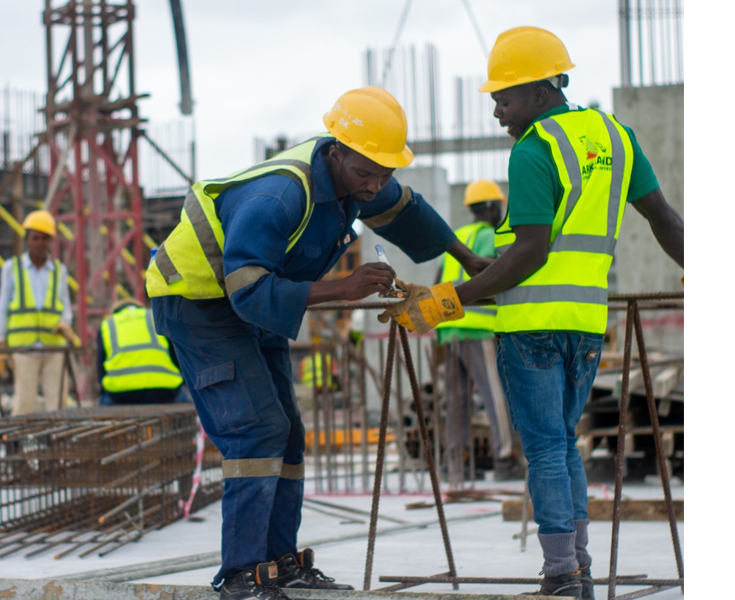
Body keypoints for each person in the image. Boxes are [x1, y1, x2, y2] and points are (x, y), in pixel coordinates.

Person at [145, 86, 485, 600]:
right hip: (198, 301)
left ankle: (280, 564)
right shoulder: (279, 196)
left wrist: (469, 258)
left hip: (256, 295)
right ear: (336, 151)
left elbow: (408, 213)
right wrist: (344, 291)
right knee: (257, 429)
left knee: (289, 433)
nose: (374, 188)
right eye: (366, 174)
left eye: (385, 175)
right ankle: (241, 576)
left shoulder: (358, 175)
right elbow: (248, 289)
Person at [380, 27, 683, 599]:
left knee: (545, 448)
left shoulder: (534, 148)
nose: (497, 112)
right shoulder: (614, 136)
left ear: (541, 91)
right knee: (564, 443)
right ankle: (579, 566)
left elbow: (531, 254)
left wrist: (446, 301)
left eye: (504, 97)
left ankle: (562, 574)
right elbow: (665, 220)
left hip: (531, 327)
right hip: (588, 325)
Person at [434, 180, 523, 483]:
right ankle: (504, 458)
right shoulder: (489, 236)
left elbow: (438, 279)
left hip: (449, 330)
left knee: (456, 399)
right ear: (491, 206)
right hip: (478, 327)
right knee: (494, 395)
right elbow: (500, 274)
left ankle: (455, 461)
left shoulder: (456, 238)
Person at [0, 210, 75, 416]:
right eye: (35, 238)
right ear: (27, 240)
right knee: (24, 403)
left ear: (51, 241)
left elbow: (65, 305)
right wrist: (0, 342)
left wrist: (65, 323)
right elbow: (3, 306)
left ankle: (58, 444)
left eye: (45, 238)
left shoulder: (59, 270)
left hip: (53, 346)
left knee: (57, 403)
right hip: (23, 347)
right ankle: (19, 447)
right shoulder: (12, 268)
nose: (40, 242)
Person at [96, 298, 185, 405]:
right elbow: (176, 356)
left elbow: (100, 367)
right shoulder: (154, 316)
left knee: (104, 399)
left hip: (121, 394)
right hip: (163, 391)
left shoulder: (107, 324)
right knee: (185, 399)